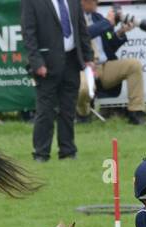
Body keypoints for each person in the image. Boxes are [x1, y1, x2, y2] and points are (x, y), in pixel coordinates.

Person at [20, 0, 93, 161]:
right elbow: (28, 33)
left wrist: (88, 56)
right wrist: (37, 62)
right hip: (46, 64)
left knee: (68, 110)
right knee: (45, 111)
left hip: (72, 61)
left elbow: (81, 28)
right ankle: (41, 153)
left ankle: (68, 151)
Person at [78, 0, 146, 125]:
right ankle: (83, 114)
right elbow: (85, 34)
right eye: (94, 0)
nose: (97, 2)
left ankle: (136, 113)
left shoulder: (97, 17)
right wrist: (107, 22)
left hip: (103, 66)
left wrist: (120, 32)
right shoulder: (73, 16)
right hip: (82, 67)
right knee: (84, 88)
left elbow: (109, 42)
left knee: (134, 65)